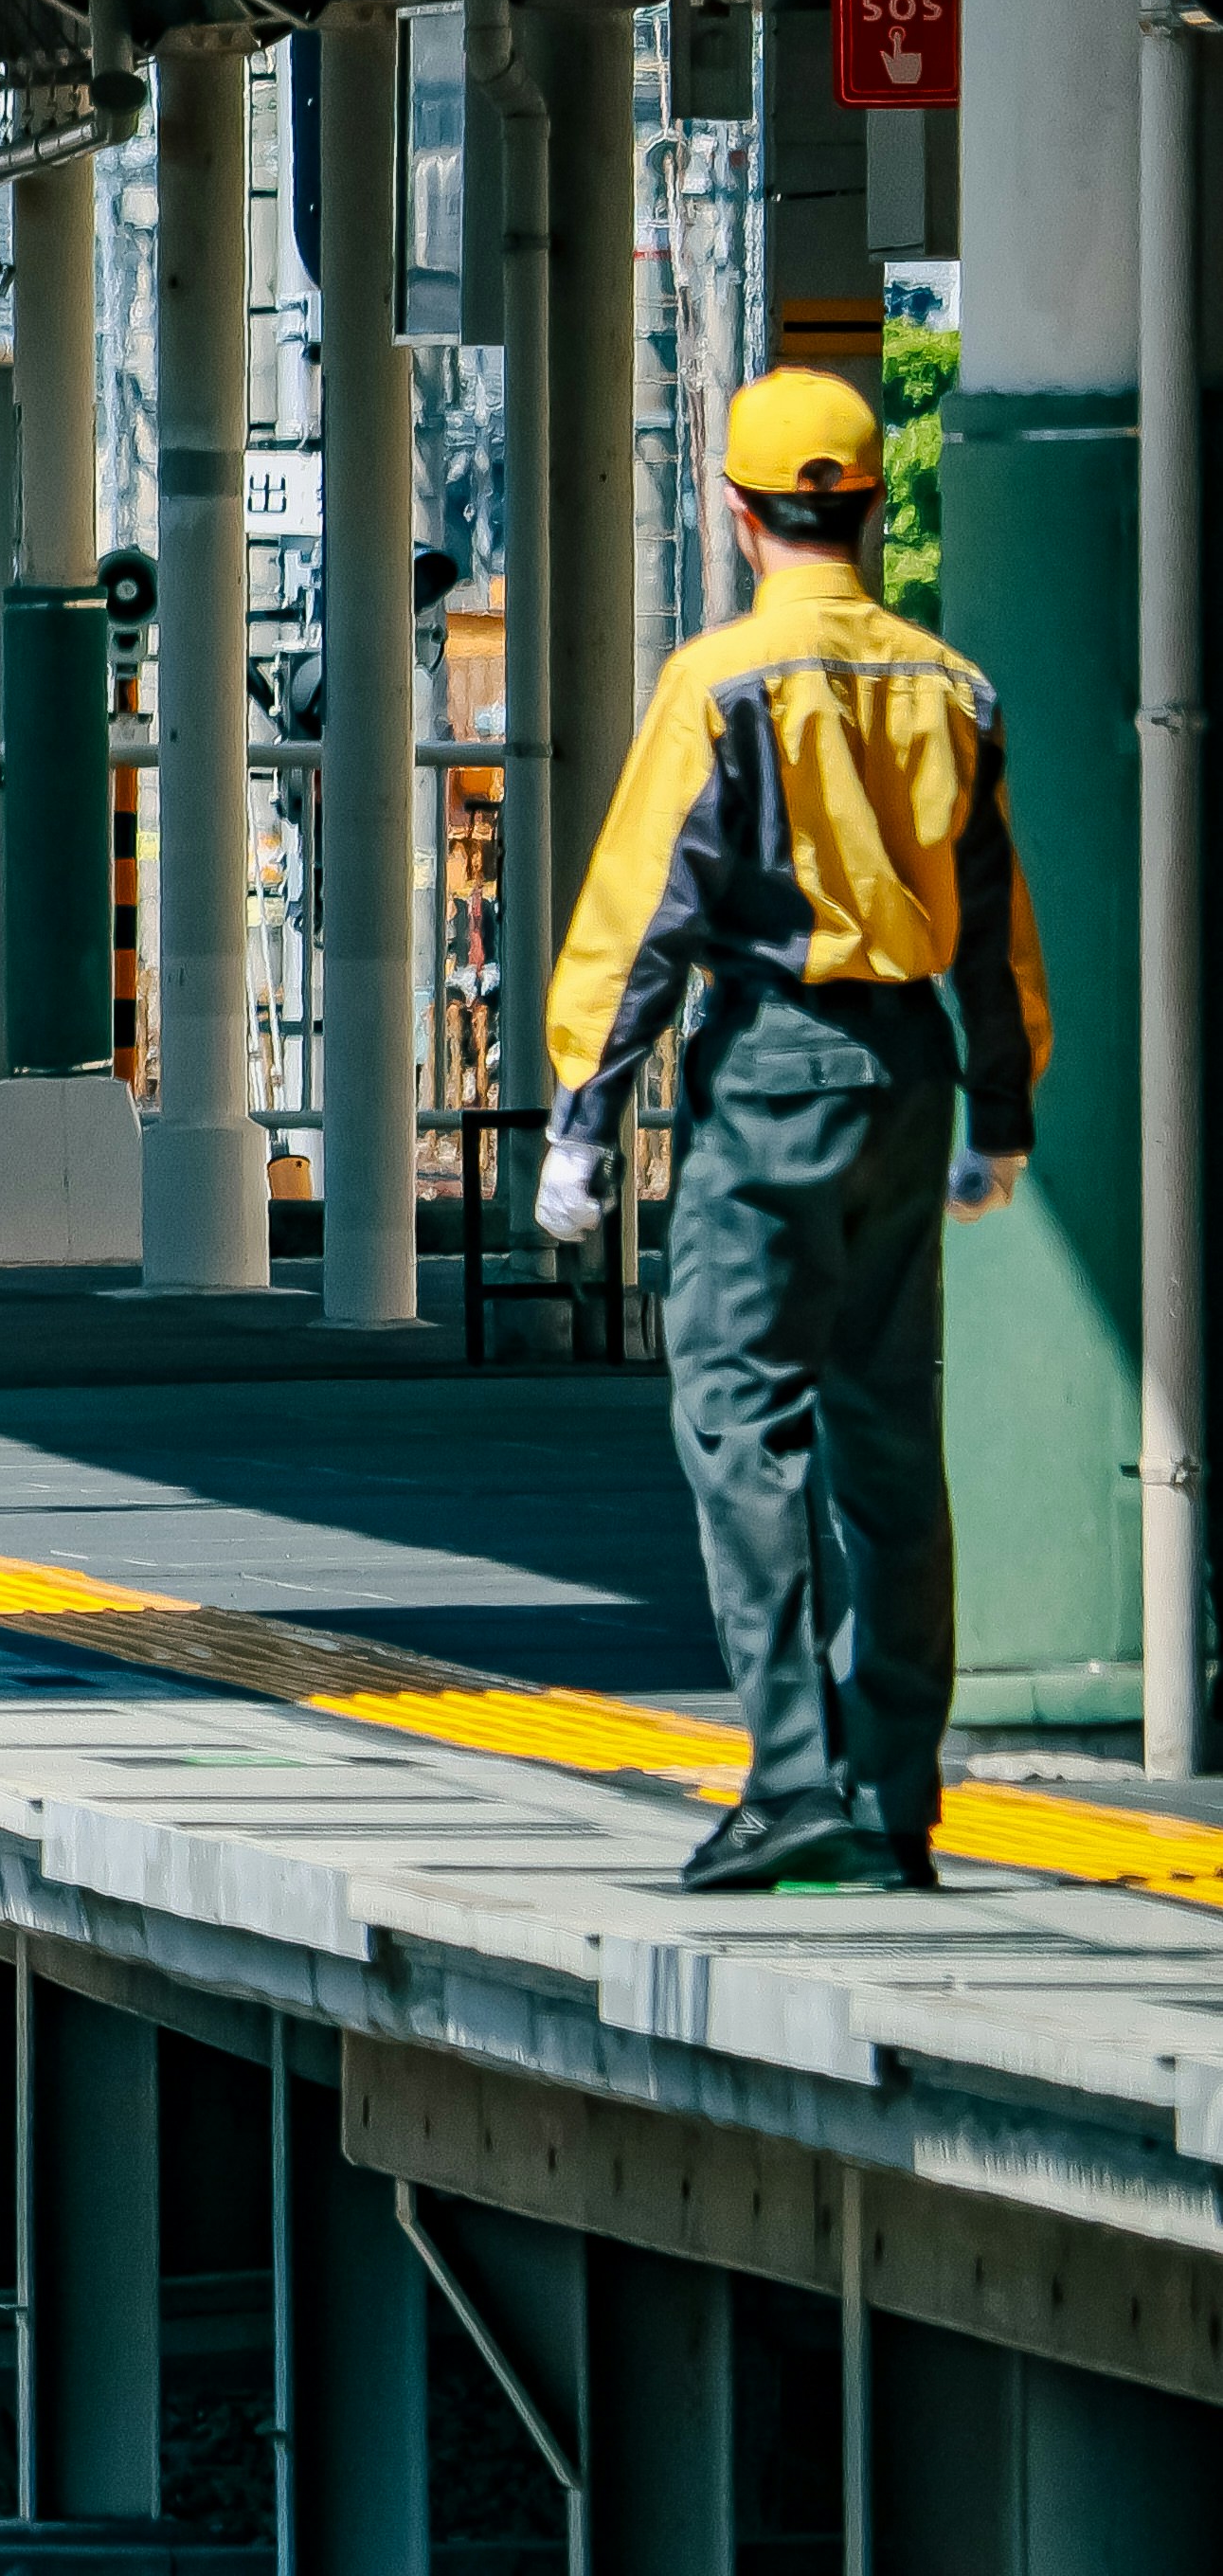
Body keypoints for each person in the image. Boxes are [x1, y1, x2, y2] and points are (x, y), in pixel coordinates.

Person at [538, 367, 1047, 1895]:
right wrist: (1001, 1108)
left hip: (771, 1077)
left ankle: (792, 1778)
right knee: (889, 1433)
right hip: (910, 1079)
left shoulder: (721, 685)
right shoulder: (954, 688)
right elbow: (997, 926)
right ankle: (896, 1794)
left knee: (738, 1420)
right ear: (870, 507)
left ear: (740, 513)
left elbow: (646, 914)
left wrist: (583, 1118)